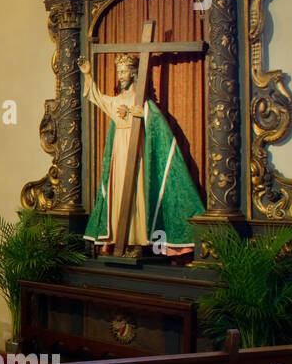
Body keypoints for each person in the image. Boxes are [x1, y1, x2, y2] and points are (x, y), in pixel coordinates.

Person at [78, 53, 203, 253]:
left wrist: (143, 115)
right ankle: (122, 240)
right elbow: (97, 98)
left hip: (138, 151)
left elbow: (157, 127)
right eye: (118, 71)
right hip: (119, 154)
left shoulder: (144, 104)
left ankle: (140, 242)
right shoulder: (116, 101)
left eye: (124, 71)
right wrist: (88, 75)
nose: (120, 75)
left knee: (137, 193)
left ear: (134, 74)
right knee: (118, 194)